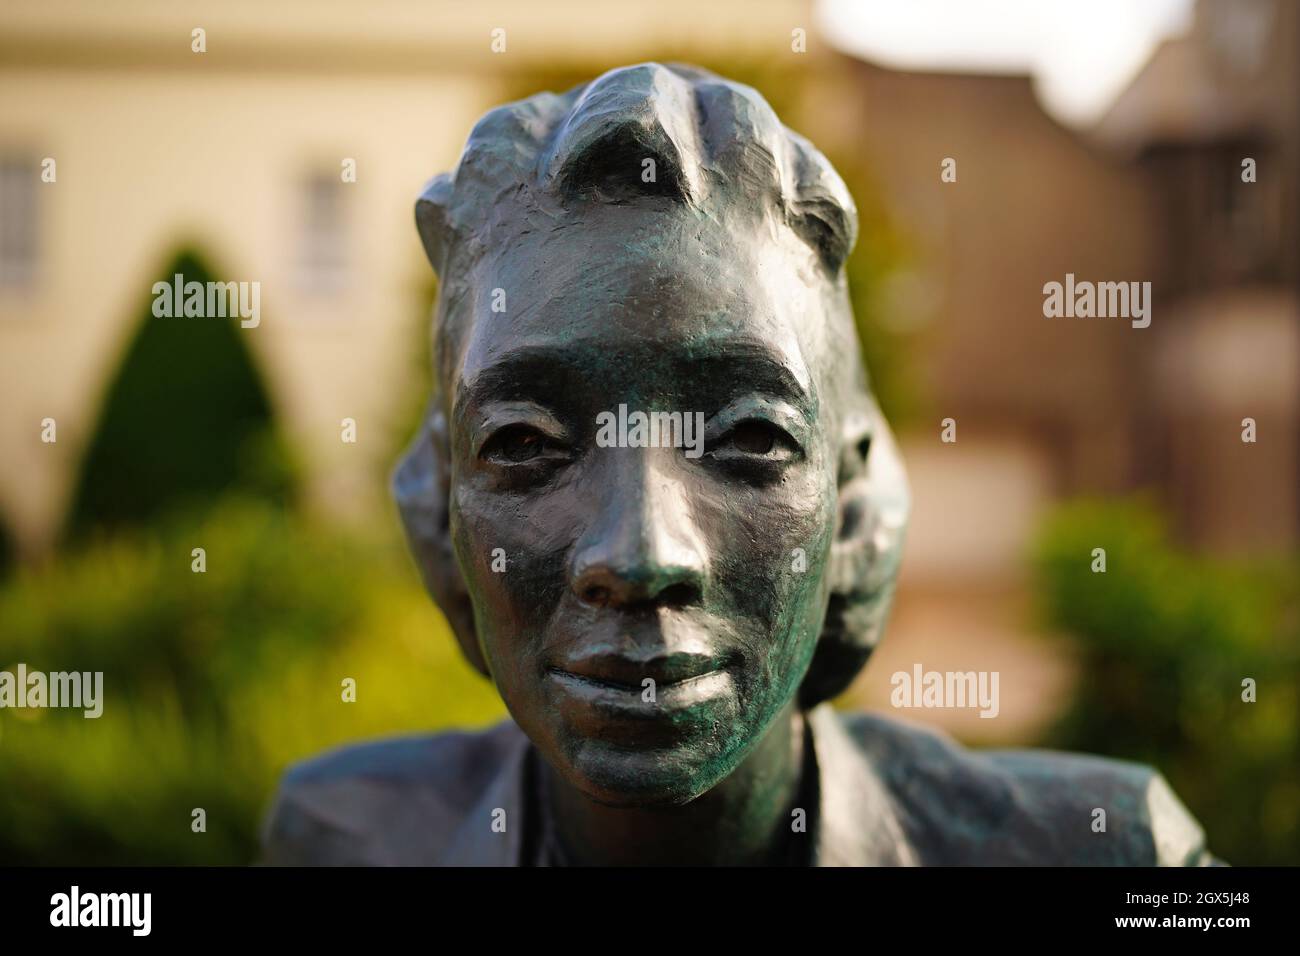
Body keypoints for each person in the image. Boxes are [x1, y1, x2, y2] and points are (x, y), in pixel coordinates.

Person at [262, 63, 1215, 866]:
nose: (638, 557)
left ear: (853, 507)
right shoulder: (340, 839)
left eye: (750, 437)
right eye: (524, 443)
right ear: (440, 514)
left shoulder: (1119, 856)